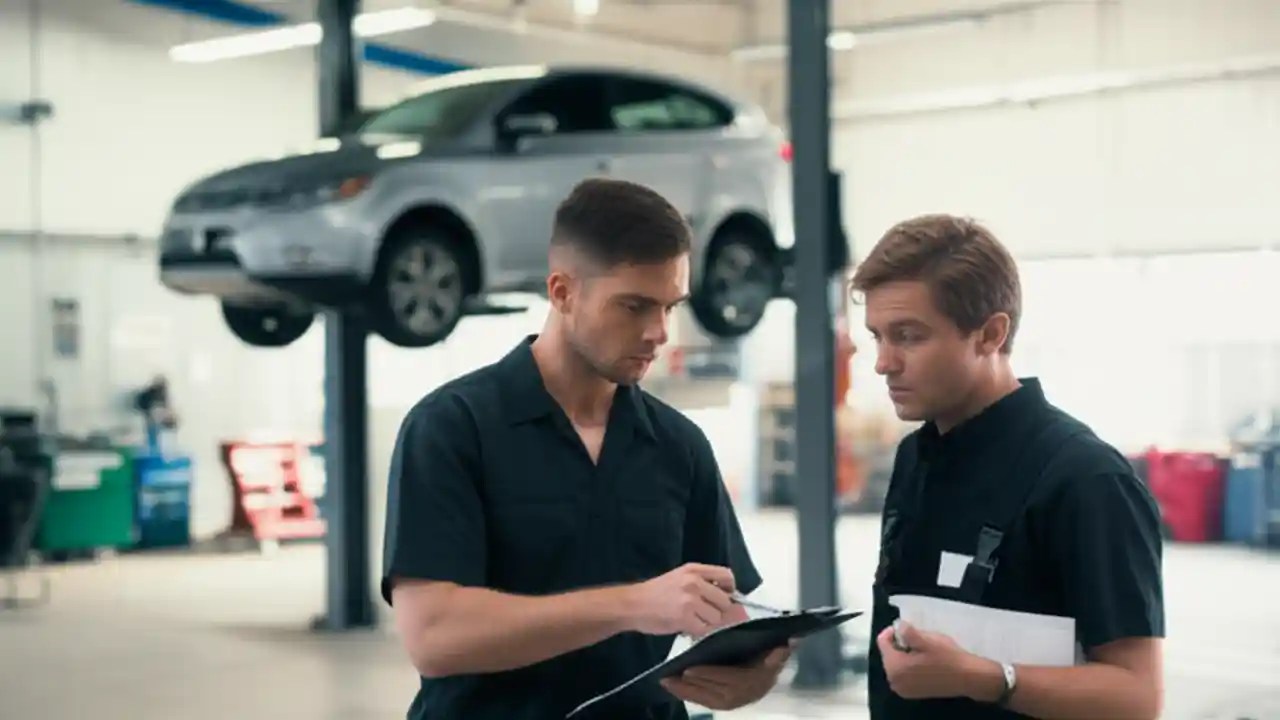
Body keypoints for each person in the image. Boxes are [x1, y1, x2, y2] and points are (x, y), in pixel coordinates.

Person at [381, 178, 788, 719]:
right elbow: (434, 637)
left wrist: (751, 676)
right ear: (562, 292)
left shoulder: (679, 447)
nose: (659, 332)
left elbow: (724, 619)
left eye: (670, 306)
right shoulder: (451, 429)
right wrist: (634, 605)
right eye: (634, 306)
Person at [853, 214, 1165, 719]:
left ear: (990, 334)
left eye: (908, 337)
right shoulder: (917, 456)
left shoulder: (1086, 480)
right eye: (877, 337)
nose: (884, 362)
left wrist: (982, 678)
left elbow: (1136, 698)